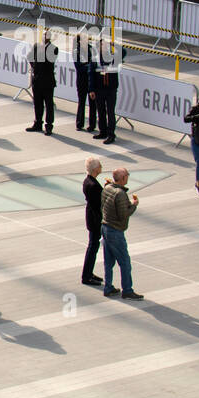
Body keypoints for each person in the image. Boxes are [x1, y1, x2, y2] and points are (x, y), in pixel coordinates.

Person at [101, 167, 142, 299]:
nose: (128, 177)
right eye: (127, 175)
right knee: (124, 262)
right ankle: (127, 290)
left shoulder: (107, 188)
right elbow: (124, 215)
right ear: (123, 178)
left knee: (108, 261)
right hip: (115, 231)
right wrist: (134, 205)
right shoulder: (120, 194)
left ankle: (108, 287)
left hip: (105, 227)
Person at [26, 28, 58, 135]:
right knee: (37, 103)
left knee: (49, 105)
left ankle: (49, 126)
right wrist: (34, 67)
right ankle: (38, 123)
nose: (45, 37)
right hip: (37, 80)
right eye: (44, 35)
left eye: (47, 35)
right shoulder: (37, 46)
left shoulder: (53, 48)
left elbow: (49, 61)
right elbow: (29, 56)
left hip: (47, 82)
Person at [92, 37, 121, 144]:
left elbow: (123, 52)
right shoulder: (96, 58)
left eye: (104, 45)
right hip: (99, 89)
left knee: (110, 112)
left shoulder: (112, 56)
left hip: (110, 89)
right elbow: (92, 74)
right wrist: (92, 89)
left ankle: (111, 134)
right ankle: (102, 131)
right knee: (100, 111)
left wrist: (115, 46)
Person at [81, 157, 104, 287]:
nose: (101, 167)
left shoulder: (88, 181)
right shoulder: (94, 185)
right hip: (95, 219)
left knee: (93, 246)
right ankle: (87, 275)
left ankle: (89, 273)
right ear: (96, 169)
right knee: (93, 247)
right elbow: (99, 202)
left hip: (91, 217)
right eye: (100, 165)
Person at [72, 32, 97, 133]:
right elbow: (79, 67)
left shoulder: (92, 49)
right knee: (81, 102)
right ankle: (79, 123)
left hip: (91, 80)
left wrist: (87, 65)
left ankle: (92, 125)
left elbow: (94, 63)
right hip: (82, 80)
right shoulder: (76, 51)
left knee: (92, 104)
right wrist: (89, 65)